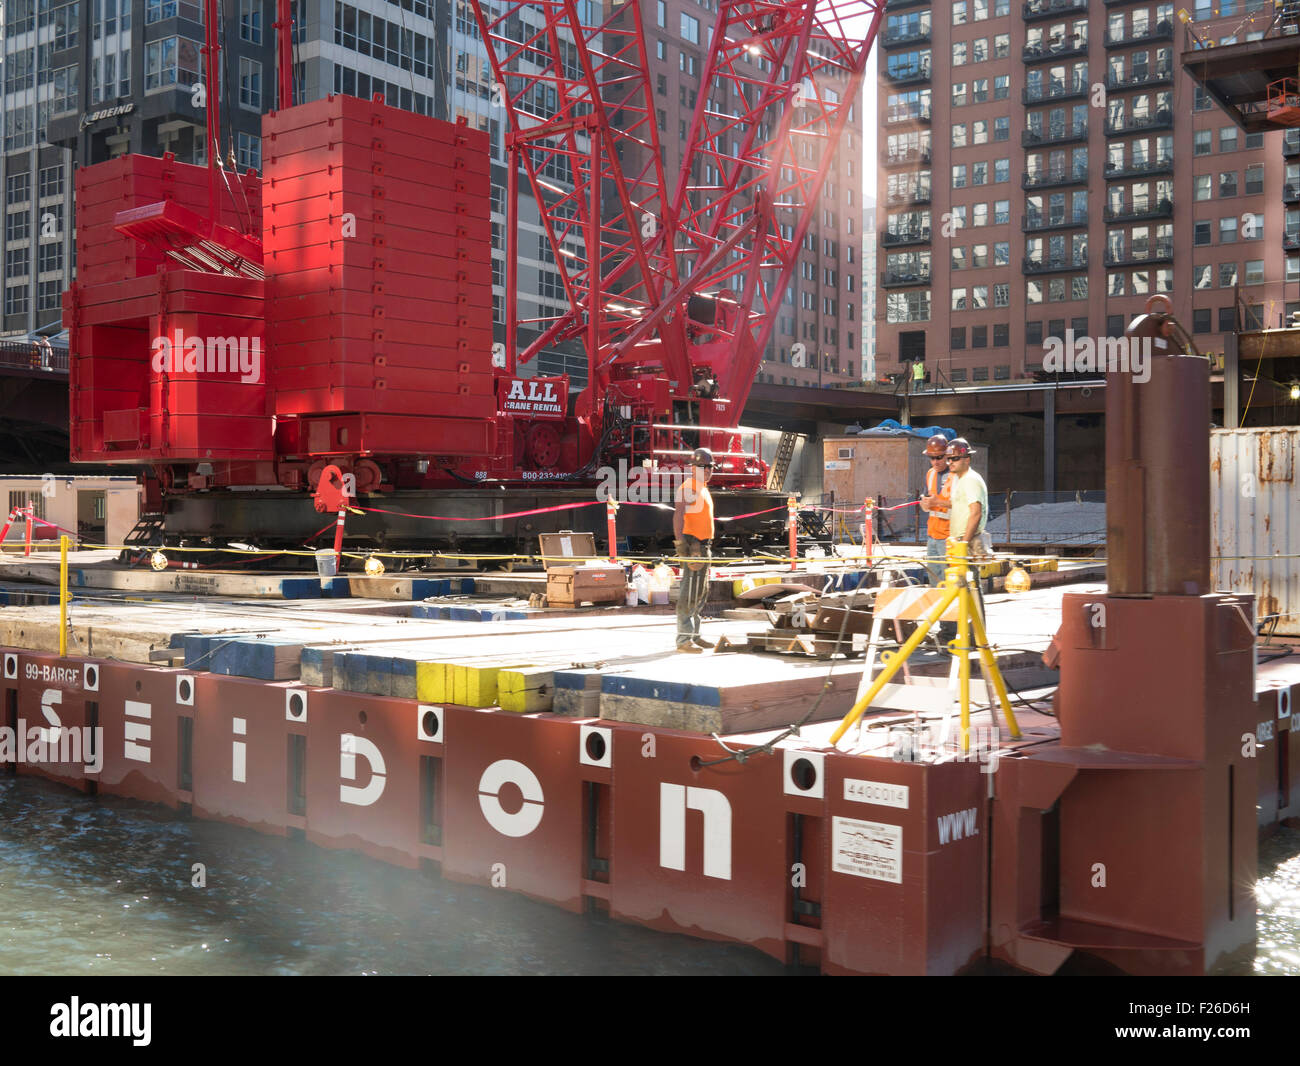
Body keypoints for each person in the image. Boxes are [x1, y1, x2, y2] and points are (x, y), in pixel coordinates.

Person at [673, 447, 715, 653]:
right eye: (702, 466)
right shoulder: (688, 487)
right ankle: (683, 639)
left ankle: (694, 636)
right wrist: (681, 545)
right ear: (693, 468)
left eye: (709, 467)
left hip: (704, 545)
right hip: (694, 545)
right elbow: (678, 515)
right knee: (689, 592)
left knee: (700, 593)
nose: (707, 470)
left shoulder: (703, 488)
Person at [945, 438, 991, 559]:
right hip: (961, 541)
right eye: (948, 458)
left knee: (971, 577)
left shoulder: (971, 479)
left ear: (967, 459)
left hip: (969, 542)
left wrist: (964, 544)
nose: (950, 462)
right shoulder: (962, 480)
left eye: (955, 458)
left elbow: (976, 513)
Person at [917, 434, 952, 587]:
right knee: (935, 580)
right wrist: (924, 504)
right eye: (932, 458)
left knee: (951, 580)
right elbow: (925, 500)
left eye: (939, 457)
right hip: (933, 535)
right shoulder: (930, 474)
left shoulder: (955, 474)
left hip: (949, 537)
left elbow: (963, 504)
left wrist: (938, 501)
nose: (935, 461)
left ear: (947, 455)